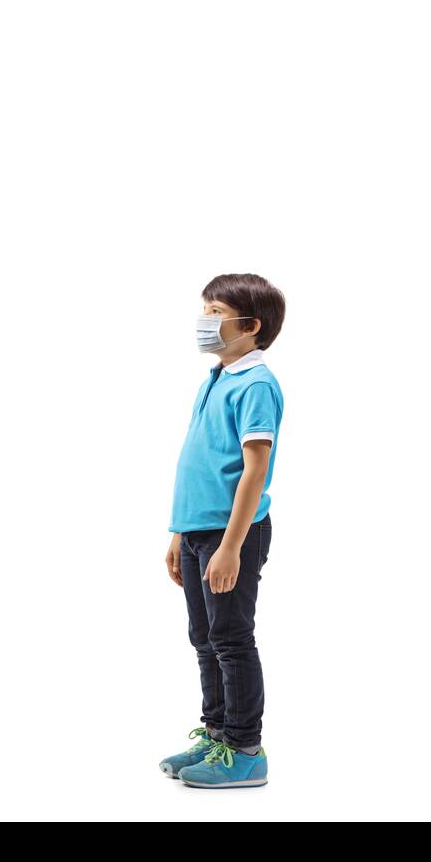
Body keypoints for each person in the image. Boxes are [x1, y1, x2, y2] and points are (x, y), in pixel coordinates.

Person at [159, 273, 286, 789]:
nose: (204, 321)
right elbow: (201, 463)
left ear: (250, 326)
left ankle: (245, 748)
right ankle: (217, 734)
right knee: (204, 639)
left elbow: (254, 469)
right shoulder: (217, 377)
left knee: (231, 639)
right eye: (204, 310)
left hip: (230, 535)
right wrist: (177, 534)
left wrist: (231, 546)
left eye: (215, 312)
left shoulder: (257, 384)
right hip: (197, 532)